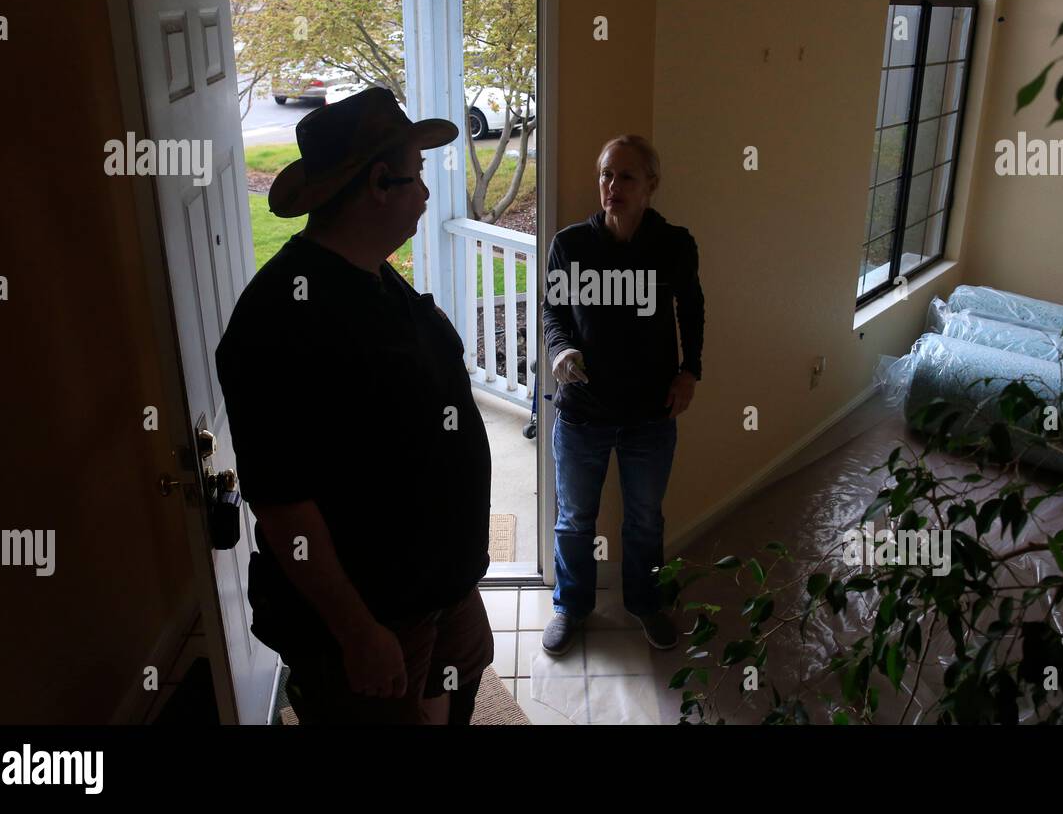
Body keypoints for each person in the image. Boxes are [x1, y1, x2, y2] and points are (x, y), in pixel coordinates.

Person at [215, 87, 494, 724]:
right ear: (377, 183)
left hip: (441, 587)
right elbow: (285, 504)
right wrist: (358, 633)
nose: (425, 193)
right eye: (416, 176)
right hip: (376, 611)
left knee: (450, 707)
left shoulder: (371, 271)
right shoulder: (279, 321)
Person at [540, 134, 704, 655]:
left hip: (651, 414)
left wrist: (690, 371)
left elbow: (692, 310)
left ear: (651, 185)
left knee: (644, 519)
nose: (612, 187)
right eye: (606, 175)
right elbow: (554, 313)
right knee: (574, 518)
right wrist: (561, 350)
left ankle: (646, 602)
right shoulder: (571, 245)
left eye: (626, 177)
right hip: (582, 412)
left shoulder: (674, 244)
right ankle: (571, 605)